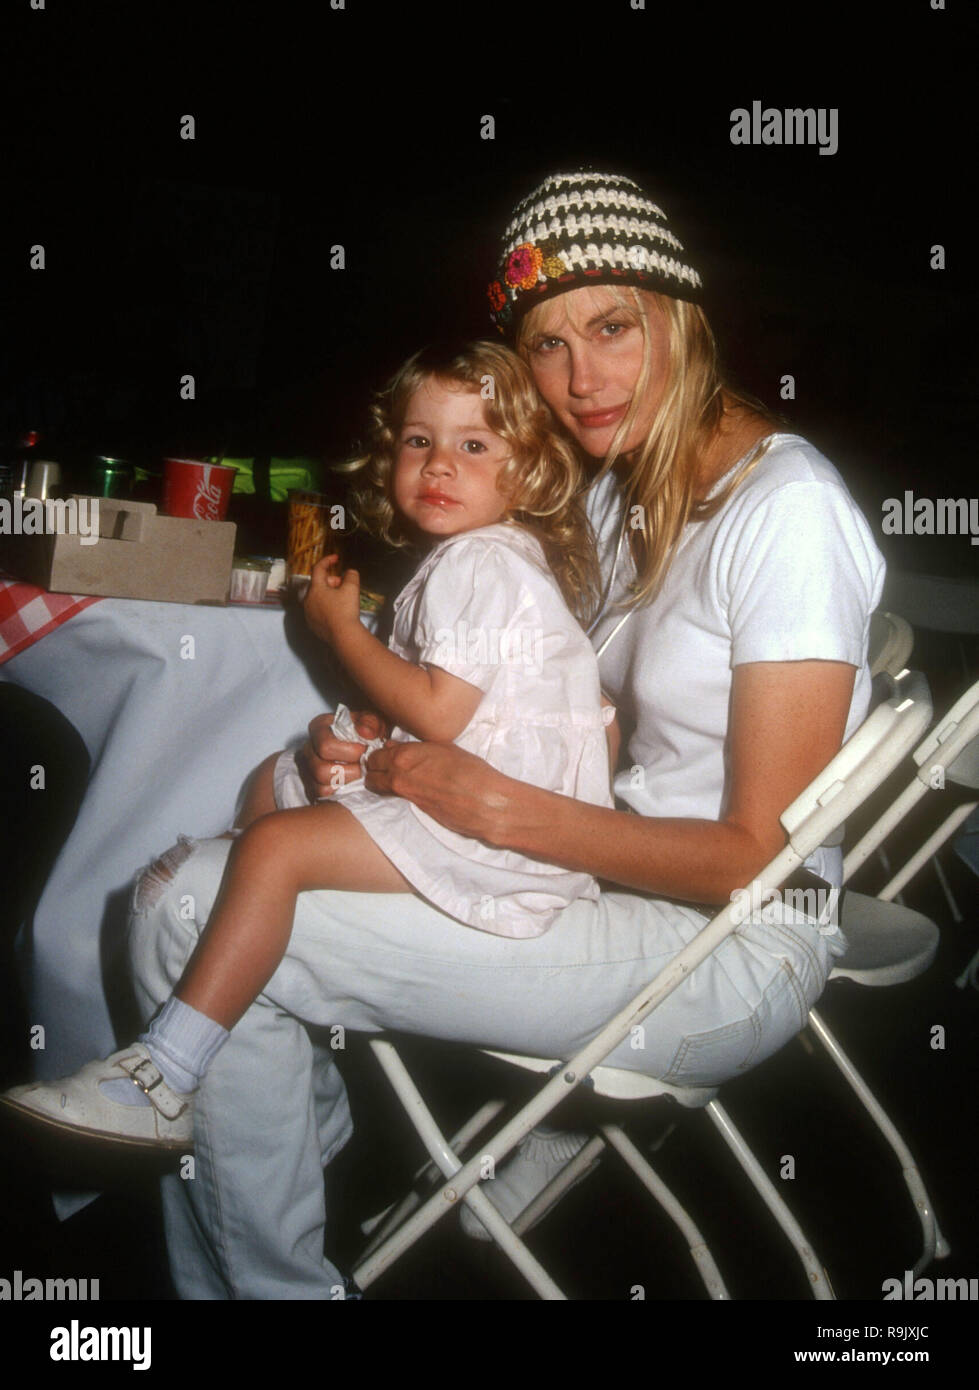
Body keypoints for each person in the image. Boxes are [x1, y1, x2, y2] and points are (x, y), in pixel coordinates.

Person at [14, 169, 887, 1298]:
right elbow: (548, 706)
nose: (582, 380)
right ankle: (276, 1134)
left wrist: (507, 810)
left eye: (613, 327)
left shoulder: (788, 512)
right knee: (217, 868)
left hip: (732, 949)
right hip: (606, 884)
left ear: (681, 318)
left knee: (188, 909)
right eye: (546, 345)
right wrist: (373, 738)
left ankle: (259, 1216)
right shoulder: (625, 497)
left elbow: (755, 862)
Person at [1, 340, 617, 1145]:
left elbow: (438, 715)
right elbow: (450, 709)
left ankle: (166, 1072)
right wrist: (359, 729)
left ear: (528, 471)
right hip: (470, 800)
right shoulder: (473, 560)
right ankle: (287, 1064)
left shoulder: (482, 562)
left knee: (277, 849)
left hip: (502, 837)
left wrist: (335, 635)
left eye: (474, 445)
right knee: (269, 785)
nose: (438, 464)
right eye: (417, 441)